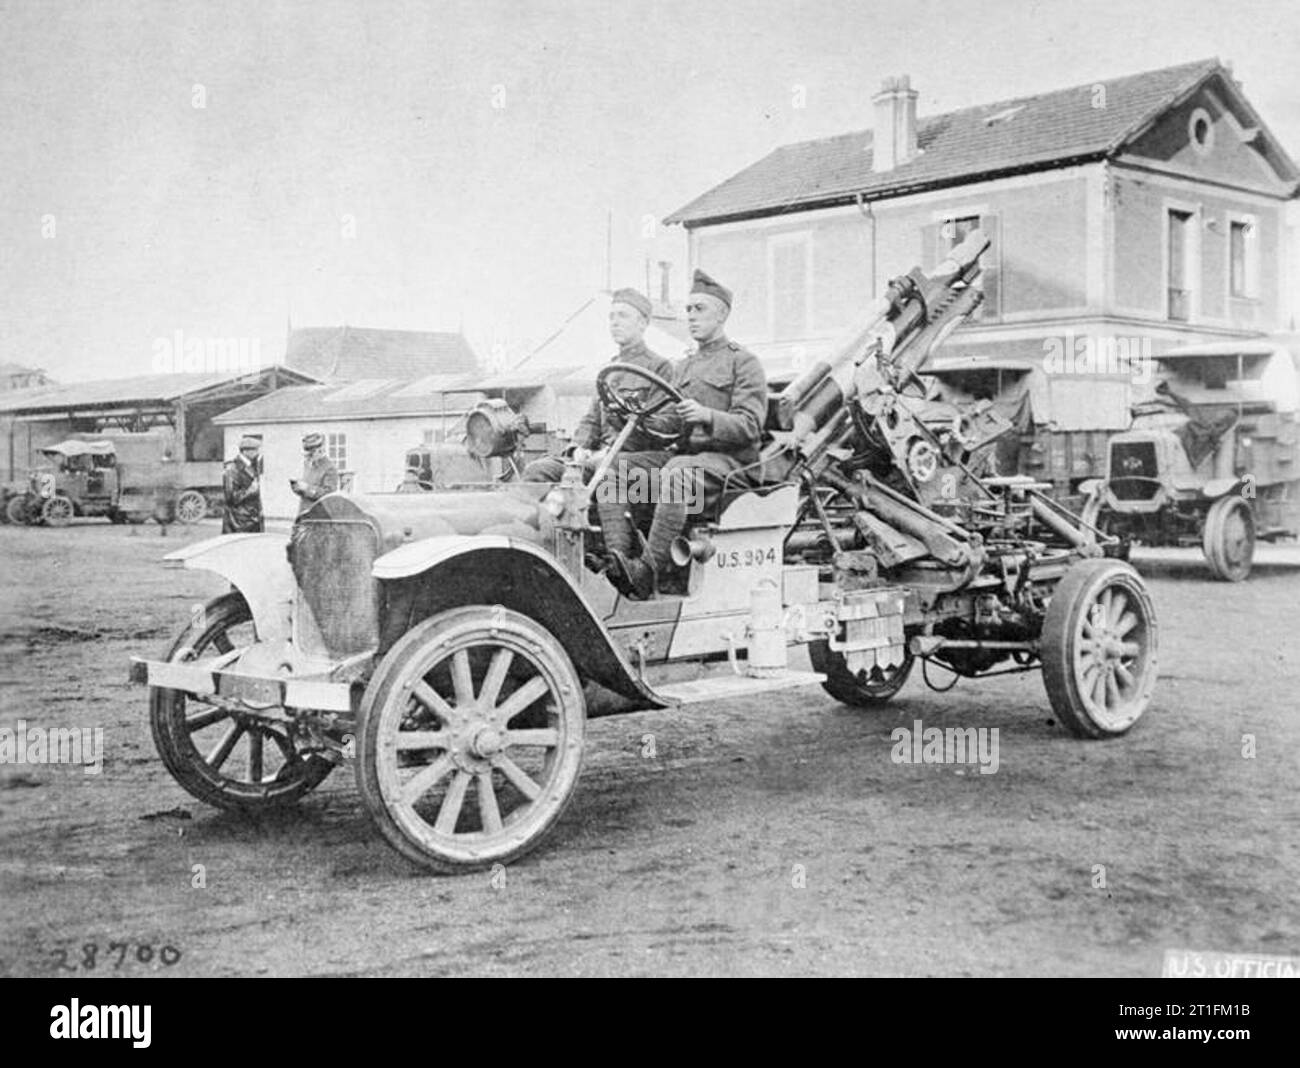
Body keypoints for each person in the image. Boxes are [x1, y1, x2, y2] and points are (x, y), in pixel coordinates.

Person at [597, 269, 767, 599]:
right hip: (690, 460)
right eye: (688, 309)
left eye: (699, 309)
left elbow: (750, 426)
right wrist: (638, 417)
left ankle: (649, 571)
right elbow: (668, 423)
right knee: (613, 467)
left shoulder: (743, 362)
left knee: (676, 472)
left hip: (732, 466)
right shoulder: (684, 366)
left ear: (722, 314)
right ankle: (620, 562)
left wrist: (707, 416)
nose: (690, 316)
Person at [523, 287, 674, 483]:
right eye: (611, 317)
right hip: (599, 457)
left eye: (623, 316)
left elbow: (664, 427)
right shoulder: (609, 370)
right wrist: (578, 448)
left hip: (635, 458)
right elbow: (592, 419)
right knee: (538, 470)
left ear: (643, 323)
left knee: (606, 469)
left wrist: (629, 424)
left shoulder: (659, 368)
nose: (615, 322)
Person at [221, 434, 264, 533]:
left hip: (252, 519)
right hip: (238, 522)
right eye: (255, 450)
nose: (258, 453)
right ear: (245, 451)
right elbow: (230, 498)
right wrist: (250, 490)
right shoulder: (232, 469)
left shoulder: (252, 465)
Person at [291, 432, 340, 514]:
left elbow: (329, 496)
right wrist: (298, 488)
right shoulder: (308, 464)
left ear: (319, 450)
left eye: (310, 455)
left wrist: (307, 488)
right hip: (304, 513)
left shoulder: (330, 468)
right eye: (306, 455)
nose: (308, 458)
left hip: (319, 516)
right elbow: (306, 490)